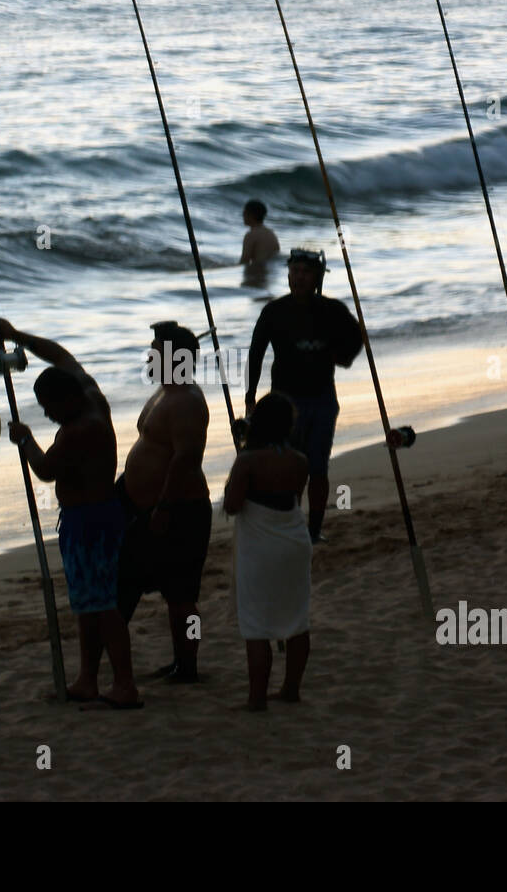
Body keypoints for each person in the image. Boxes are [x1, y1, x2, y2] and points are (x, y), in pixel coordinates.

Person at [0, 317, 141, 709]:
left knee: (103, 605)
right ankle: (87, 679)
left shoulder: (80, 429)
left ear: (66, 401)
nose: (46, 415)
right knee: (87, 604)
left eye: (48, 408)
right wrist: (16, 336)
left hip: (91, 521)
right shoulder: (90, 394)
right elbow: (60, 355)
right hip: (90, 517)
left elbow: (45, 469)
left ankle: (124, 683)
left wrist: (25, 440)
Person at [245, 248, 362, 543]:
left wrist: (343, 358)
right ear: (287, 275)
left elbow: (357, 336)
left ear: (317, 278)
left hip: (322, 399)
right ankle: (291, 523)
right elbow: (256, 354)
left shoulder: (332, 310)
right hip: (284, 404)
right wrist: (250, 397)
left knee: (318, 466)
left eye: (305, 272)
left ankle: (314, 529)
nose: (298, 277)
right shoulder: (273, 311)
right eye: (294, 271)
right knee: (288, 466)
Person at [117, 321, 212, 683]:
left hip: (179, 511)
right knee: (129, 583)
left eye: (155, 349)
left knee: (183, 597)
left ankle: (188, 665)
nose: (149, 355)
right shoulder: (165, 392)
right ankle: (175, 663)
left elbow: (187, 459)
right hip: (147, 509)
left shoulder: (186, 400)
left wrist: (165, 507)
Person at [222, 393, 311, 711]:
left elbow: (233, 506)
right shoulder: (300, 461)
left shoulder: (247, 460)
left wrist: (240, 462)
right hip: (294, 542)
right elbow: (293, 501)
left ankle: (256, 698)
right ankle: (291, 689)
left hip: (260, 546)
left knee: (257, 624)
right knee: (297, 619)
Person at [240, 200, 280, 285]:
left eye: (244, 212)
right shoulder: (271, 233)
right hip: (269, 277)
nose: (242, 215)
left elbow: (244, 261)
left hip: (256, 275)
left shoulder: (251, 235)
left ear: (250, 214)